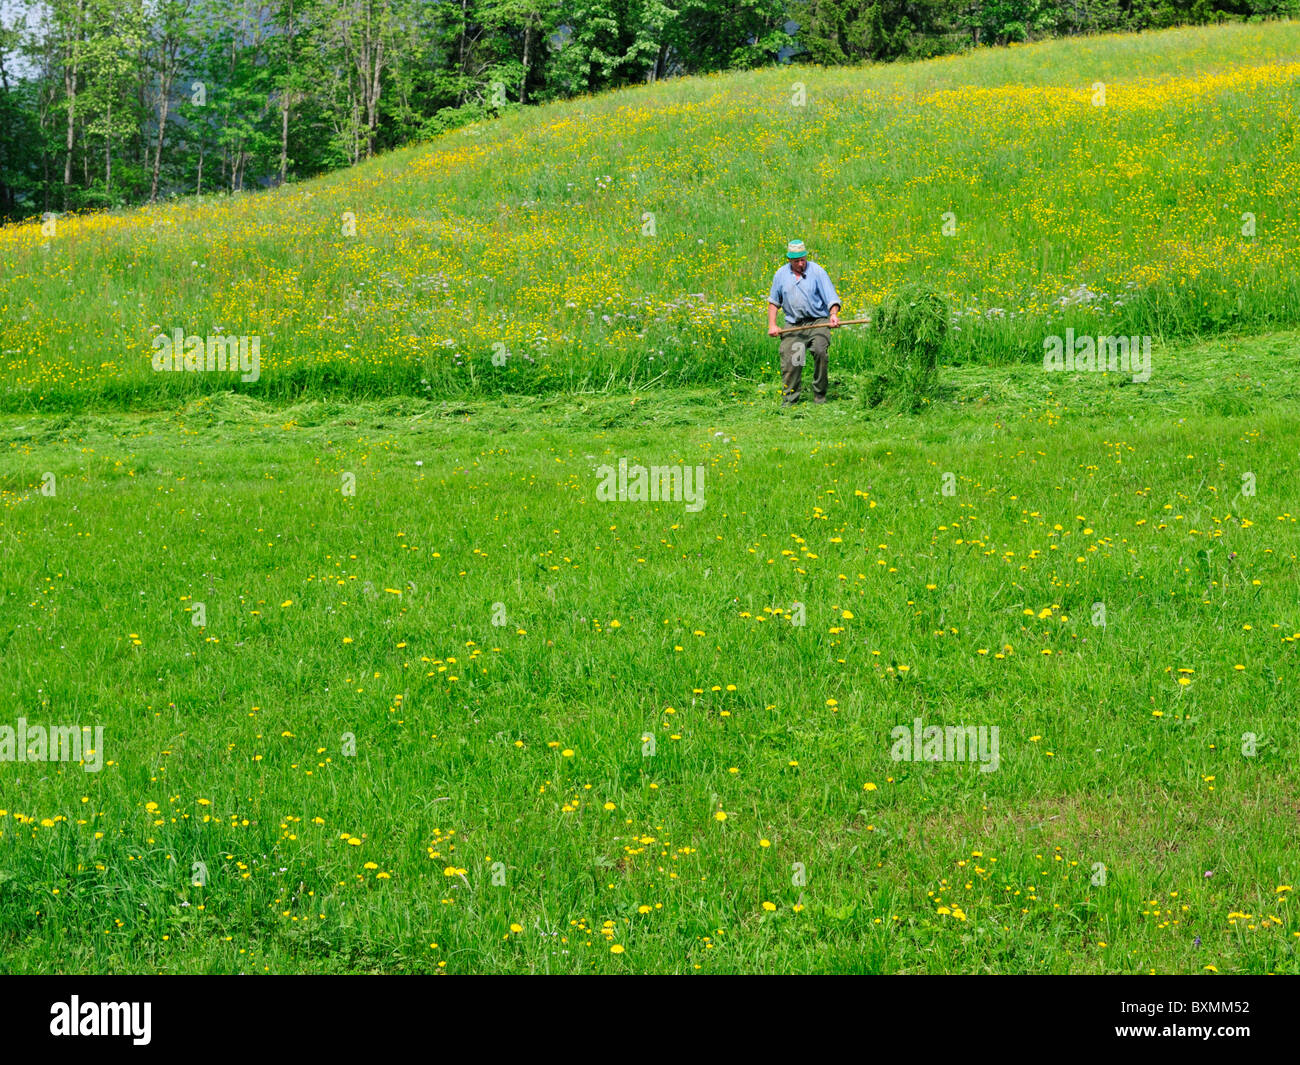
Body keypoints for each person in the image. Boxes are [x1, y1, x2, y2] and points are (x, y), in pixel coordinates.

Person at [767, 239, 841, 406]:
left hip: (818, 322)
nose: (801, 264)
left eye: (803, 259)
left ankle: (820, 396)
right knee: (794, 359)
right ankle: (791, 399)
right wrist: (772, 324)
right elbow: (773, 302)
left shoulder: (817, 272)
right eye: (796, 261)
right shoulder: (781, 275)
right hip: (795, 325)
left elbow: (832, 298)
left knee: (820, 351)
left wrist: (833, 315)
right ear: (789, 260)